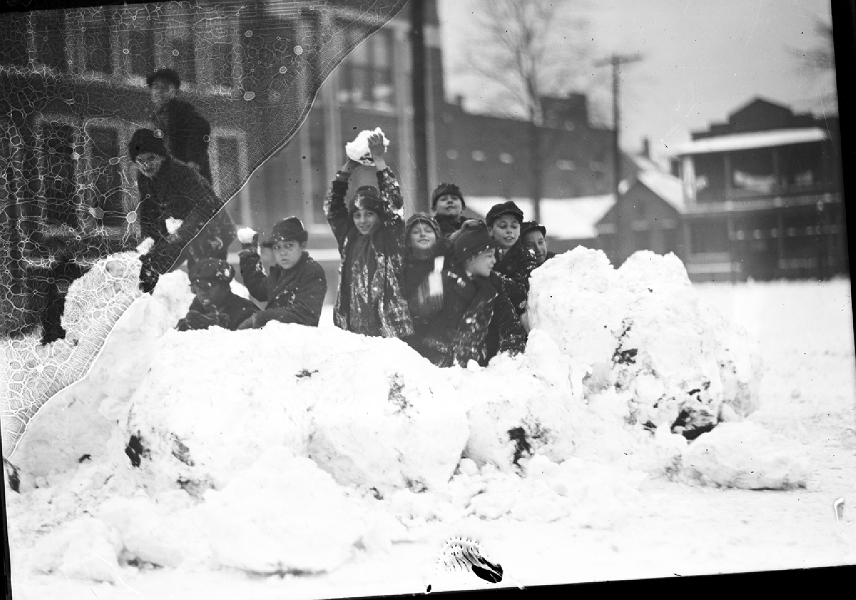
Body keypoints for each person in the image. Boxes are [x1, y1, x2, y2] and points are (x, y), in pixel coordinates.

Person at [324, 132, 412, 338]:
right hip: (352, 331)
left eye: (369, 214)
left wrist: (379, 161)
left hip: (388, 331)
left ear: (380, 217)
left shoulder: (391, 237)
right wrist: (349, 167)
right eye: (357, 215)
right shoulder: (349, 238)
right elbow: (332, 207)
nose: (362, 221)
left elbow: (394, 203)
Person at [129, 128, 232, 293]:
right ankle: (149, 306)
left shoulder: (181, 172)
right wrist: (148, 239)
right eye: (140, 160)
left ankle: (212, 311)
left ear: (162, 156)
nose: (146, 165)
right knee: (150, 266)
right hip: (180, 228)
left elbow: (205, 206)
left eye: (151, 158)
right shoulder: (145, 178)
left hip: (212, 227)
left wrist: (180, 234)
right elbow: (149, 210)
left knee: (203, 276)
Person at [412, 221, 526, 368]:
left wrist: (509, 357)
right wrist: (425, 302)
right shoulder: (442, 280)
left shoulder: (494, 289)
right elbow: (416, 319)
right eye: (489, 255)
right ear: (471, 257)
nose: (494, 261)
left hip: (474, 368)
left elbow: (511, 327)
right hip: (436, 365)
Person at [236, 216, 327, 329]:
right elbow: (258, 289)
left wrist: (262, 318)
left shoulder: (311, 271)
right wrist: (250, 256)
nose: (282, 252)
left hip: (298, 340)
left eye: (288, 246)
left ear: (302, 246)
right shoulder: (280, 272)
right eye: (277, 247)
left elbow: (305, 315)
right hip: (276, 336)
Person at [146, 68, 212, 181]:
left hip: (186, 176)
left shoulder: (182, 110)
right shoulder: (155, 117)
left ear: (175, 92)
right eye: (155, 87)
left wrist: (193, 161)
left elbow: (202, 126)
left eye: (165, 88)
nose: (159, 92)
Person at [401, 213, 451, 343]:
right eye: (416, 232)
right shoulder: (402, 267)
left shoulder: (445, 263)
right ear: (408, 241)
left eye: (428, 231)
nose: (423, 234)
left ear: (437, 237)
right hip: (411, 333)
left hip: (440, 332)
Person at [176, 258, 258, 332]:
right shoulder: (198, 306)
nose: (202, 292)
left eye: (207, 286)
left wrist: (217, 328)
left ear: (225, 287)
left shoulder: (246, 312)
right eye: (197, 287)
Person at [484, 201, 537, 314]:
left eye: (514, 226)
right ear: (490, 230)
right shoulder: (480, 252)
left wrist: (495, 279)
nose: (509, 231)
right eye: (503, 226)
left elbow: (521, 292)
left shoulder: (526, 257)